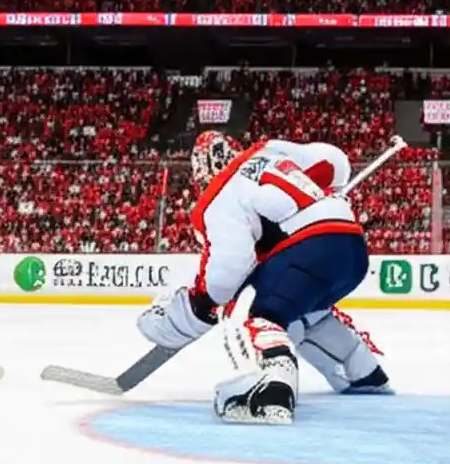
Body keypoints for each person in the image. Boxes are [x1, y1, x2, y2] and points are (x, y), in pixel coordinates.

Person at [137, 131, 390, 424]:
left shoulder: (217, 194)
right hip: (351, 248)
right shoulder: (272, 152)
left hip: (308, 249)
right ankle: (362, 370)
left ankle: (269, 390)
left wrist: (197, 306)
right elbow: (335, 163)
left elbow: (227, 272)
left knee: (249, 310)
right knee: (301, 310)